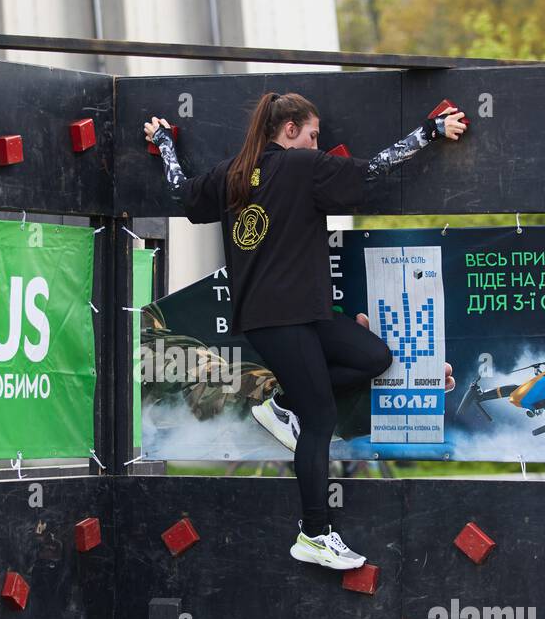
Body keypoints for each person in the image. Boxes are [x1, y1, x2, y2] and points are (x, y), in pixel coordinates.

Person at [145, 93, 465, 569]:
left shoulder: (233, 173)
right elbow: (372, 169)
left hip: (305, 315)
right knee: (319, 423)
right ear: (290, 129)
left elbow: (179, 191)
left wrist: (166, 143)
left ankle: (283, 402)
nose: (320, 143)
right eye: (314, 134)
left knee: (373, 358)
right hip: (277, 321)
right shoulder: (300, 167)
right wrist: (429, 132)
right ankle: (314, 533)